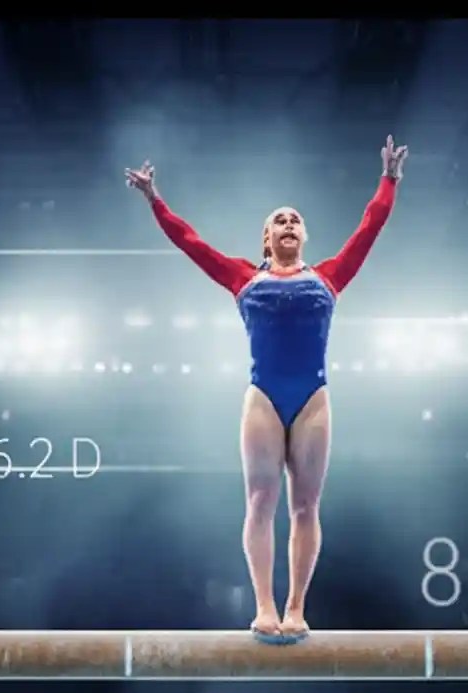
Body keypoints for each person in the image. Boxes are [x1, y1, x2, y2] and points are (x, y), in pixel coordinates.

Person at [125, 135, 408, 643]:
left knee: (305, 506)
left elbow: (369, 230)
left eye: (295, 219)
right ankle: (264, 605)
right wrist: (155, 201)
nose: (288, 224)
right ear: (265, 239)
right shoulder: (241, 277)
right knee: (260, 500)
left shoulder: (330, 277)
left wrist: (388, 180)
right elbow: (191, 244)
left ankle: (297, 607)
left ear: (305, 235)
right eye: (279, 219)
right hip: (263, 396)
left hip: (312, 399)